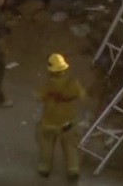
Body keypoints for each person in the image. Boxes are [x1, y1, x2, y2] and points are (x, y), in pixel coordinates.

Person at [35, 53, 86, 182]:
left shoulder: (47, 84)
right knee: (71, 147)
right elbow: (83, 96)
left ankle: (45, 168)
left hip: (49, 123)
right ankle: (73, 169)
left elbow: (37, 97)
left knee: (46, 145)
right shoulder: (72, 83)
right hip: (67, 123)